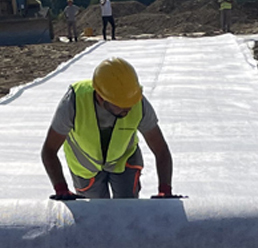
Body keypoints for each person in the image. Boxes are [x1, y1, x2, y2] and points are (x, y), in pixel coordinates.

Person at [40, 57, 176, 200]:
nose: (128, 108)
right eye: (120, 104)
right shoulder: (74, 102)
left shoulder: (138, 102)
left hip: (124, 160)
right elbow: (49, 150)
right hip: (85, 167)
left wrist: (165, 189)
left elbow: (161, 150)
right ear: (101, 97)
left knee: (127, 207)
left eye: (129, 102)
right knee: (95, 214)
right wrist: (61, 188)